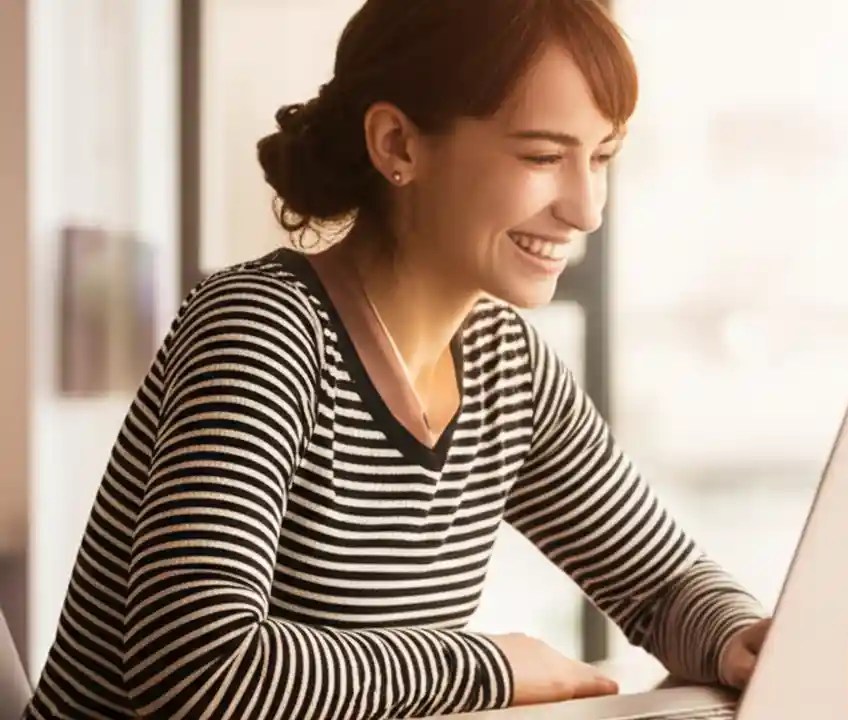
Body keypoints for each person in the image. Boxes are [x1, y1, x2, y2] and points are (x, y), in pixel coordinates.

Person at [24, 1, 771, 717]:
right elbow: (197, 672)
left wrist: (744, 639)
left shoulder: (508, 367)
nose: (586, 209)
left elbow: (661, 585)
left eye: (601, 158)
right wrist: (491, 668)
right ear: (398, 145)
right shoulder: (261, 330)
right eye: (543, 156)